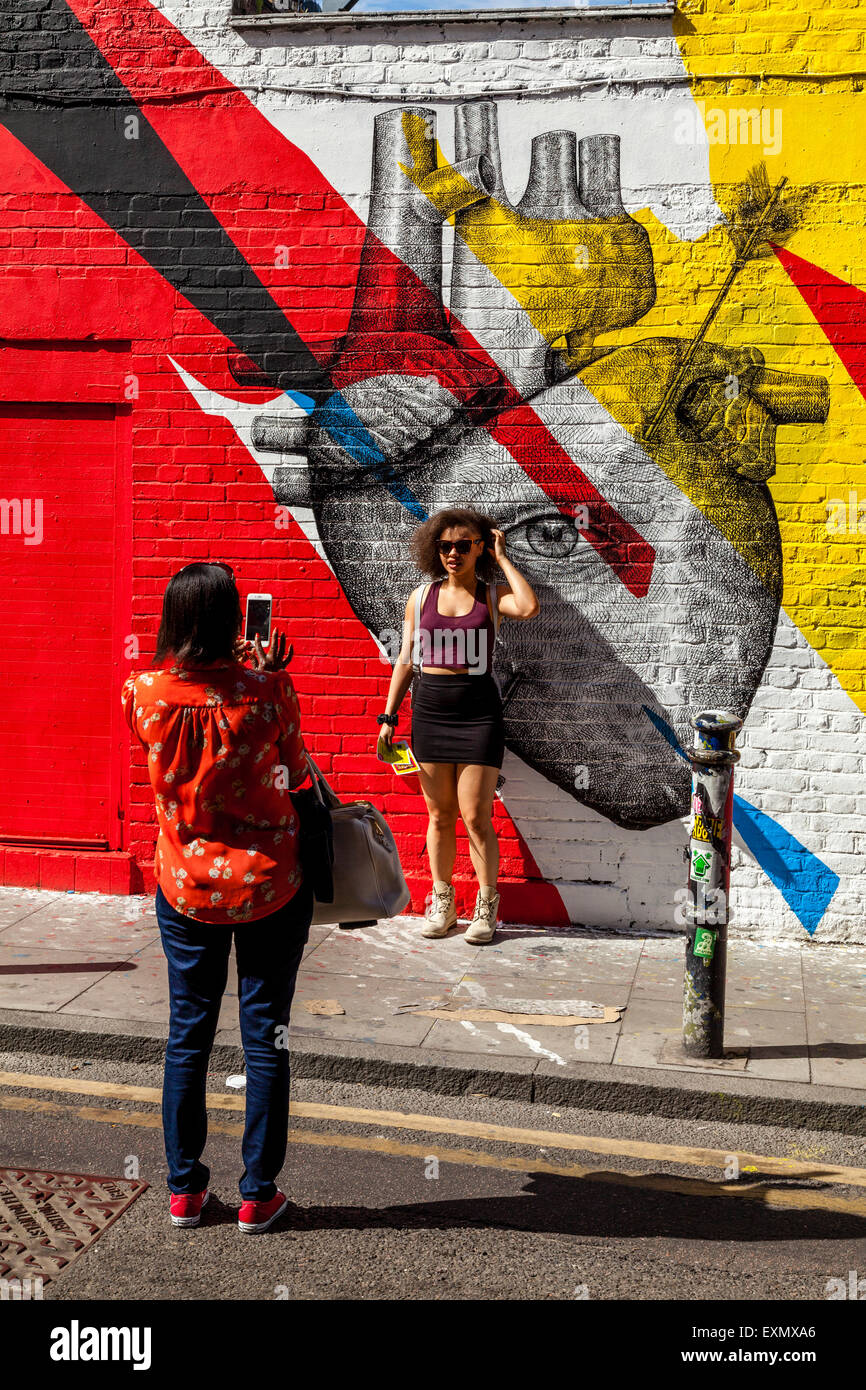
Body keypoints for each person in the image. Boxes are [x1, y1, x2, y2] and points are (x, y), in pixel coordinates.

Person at [121, 562, 312, 1235]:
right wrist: (266, 672)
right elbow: (297, 773)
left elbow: (168, 736)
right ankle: (259, 1193)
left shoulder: (141, 692)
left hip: (186, 888)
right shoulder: (268, 692)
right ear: (236, 620)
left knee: (187, 1036)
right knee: (267, 1039)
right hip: (269, 887)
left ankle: (183, 1191)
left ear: (174, 620)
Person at [378, 509, 540, 943]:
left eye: (464, 545)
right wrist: (389, 717)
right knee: (439, 814)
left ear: (479, 548)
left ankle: (486, 908)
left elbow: (527, 606)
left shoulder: (491, 595)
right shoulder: (421, 597)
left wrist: (503, 558)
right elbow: (407, 660)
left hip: (479, 713)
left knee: (476, 816)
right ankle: (443, 902)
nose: (453, 553)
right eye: (445, 545)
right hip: (430, 710)